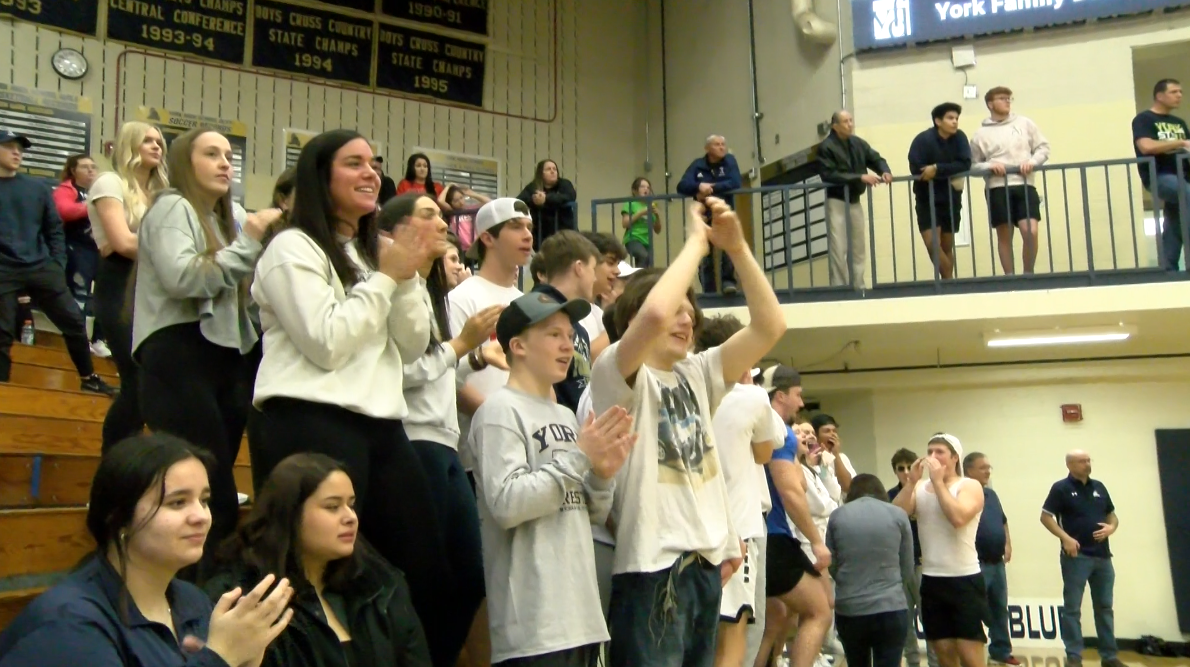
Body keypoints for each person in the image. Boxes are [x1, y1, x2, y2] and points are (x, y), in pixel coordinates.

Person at [251, 129, 458, 666]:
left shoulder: (372, 255)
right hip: (308, 423)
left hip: (383, 429)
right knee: (309, 577)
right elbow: (327, 342)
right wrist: (388, 277)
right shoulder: (290, 246)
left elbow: (412, 345)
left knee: (426, 573)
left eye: (375, 163)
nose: (372, 173)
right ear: (321, 177)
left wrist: (406, 273)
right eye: (354, 163)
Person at [591, 196, 786, 667]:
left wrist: (737, 248)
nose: (688, 320)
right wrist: (697, 243)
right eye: (679, 309)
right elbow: (654, 315)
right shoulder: (613, 370)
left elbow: (771, 324)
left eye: (691, 311)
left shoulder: (696, 373)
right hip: (651, 569)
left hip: (705, 567)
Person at [0, 433, 292, 667]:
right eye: (177, 502)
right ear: (120, 517)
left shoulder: (192, 600)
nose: (201, 516)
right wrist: (220, 657)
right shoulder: (67, 624)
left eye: (203, 500)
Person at [132, 128, 278, 570]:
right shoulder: (173, 206)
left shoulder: (221, 220)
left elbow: (235, 290)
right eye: (210, 154)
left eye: (228, 155)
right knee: (209, 492)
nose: (224, 163)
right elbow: (184, 278)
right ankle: (193, 601)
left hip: (224, 356)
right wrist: (250, 242)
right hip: (179, 351)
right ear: (182, 162)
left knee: (214, 491)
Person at [472, 291, 636, 666]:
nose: (568, 345)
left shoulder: (564, 416)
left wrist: (601, 477)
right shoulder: (498, 411)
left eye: (569, 334)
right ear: (518, 346)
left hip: (580, 619)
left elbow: (587, 513)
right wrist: (580, 458)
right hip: (533, 627)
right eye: (553, 335)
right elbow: (507, 504)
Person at [385, 192, 502, 665]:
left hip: (444, 441)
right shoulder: (393, 287)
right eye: (429, 215)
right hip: (413, 438)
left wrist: (470, 353)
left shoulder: (433, 294)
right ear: (397, 231)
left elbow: (435, 367)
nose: (444, 223)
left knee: (471, 578)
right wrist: (462, 345)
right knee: (428, 576)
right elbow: (401, 370)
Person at [207, 452, 432, 667]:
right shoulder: (241, 598)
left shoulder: (380, 585)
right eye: (332, 507)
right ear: (291, 515)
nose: (350, 518)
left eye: (351, 505)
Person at [0, 129, 114, 396]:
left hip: (40, 266)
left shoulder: (36, 188)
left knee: (74, 322)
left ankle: (89, 378)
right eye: (9, 146)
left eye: (21, 148)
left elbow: (54, 229)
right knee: (2, 333)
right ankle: (3, 390)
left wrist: (57, 264)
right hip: (3, 270)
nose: (17, 152)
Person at [697, 315, 783, 667]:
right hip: (740, 528)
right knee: (736, 631)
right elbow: (765, 451)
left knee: (708, 633)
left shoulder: (690, 389)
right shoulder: (750, 396)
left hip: (699, 526)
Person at [89, 120, 169, 447]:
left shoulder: (165, 191)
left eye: (159, 141)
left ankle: (132, 462)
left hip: (155, 288)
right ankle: (114, 465)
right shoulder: (110, 182)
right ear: (129, 145)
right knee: (136, 381)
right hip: (120, 283)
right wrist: (170, 247)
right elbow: (121, 243)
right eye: (147, 140)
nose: (156, 146)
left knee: (154, 383)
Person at [451, 198, 534, 471]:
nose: (527, 235)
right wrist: (501, 419)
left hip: (526, 448)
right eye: (515, 226)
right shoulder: (461, 298)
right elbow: (451, 378)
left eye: (529, 227)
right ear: (487, 237)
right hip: (478, 454)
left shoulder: (525, 302)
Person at [757, 365, 832, 667]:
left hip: (752, 537)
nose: (802, 404)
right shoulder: (778, 431)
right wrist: (817, 542)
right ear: (780, 395)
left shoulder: (752, 422)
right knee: (821, 609)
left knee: (774, 614)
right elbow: (789, 491)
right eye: (798, 395)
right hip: (772, 537)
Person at [892, 434, 987, 667]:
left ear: (955, 457)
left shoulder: (969, 486)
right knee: (943, 653)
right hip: (933, 579)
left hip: (964, 579)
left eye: (939, 452)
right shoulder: (921, 488)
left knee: (969, 654)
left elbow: (958, 517)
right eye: (929, 451)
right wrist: (911, 483)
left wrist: (937, 483)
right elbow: (895, 516)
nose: (932, 457)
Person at [1040, 450, 1122, 667]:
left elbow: (1112, 514)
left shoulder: (1099, 487)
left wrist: (1111, 527)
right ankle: (1074, 656)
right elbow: (1045, 517)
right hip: (1076, 557)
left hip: (1103, 557)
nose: (1087, 464)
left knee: (1105, 607)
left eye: (1088, 460)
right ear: (1069, 465)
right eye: (1082, 461)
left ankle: (1109, 656)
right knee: (1073, 608)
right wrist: (1065, 538)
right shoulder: (1061, 488)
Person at [825, 474, 915, 667]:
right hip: (891, 607)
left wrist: (847, 580)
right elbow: (907, 567)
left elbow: (831, 562)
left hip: (850, 608)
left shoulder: (838, 516)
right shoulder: (898, 515)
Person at [970, 87, 1050, 275]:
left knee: (1030, 230)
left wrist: (1032, 162)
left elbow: (1043, 148)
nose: (1007, 101)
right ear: (990, 104)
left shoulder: (1025, 123)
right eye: (1002, 98)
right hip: (997, 187)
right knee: (1004, 234)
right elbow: (972, 165)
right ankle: (1009, 276)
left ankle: (1028, 273)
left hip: (1024, 184)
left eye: (1009, 98)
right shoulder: (980, 135)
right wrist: (990, 166)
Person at [816, 110, 892, 288]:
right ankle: (839, 288)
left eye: (851, 120)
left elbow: (875, 158)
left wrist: (885, 171)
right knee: (838, 248)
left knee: (858, 247)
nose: (850, 124)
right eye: (845, 122)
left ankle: (859, 286)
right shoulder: (826, 147)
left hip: (854, 200)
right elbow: (828, 174)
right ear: (835, 126)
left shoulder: (857, 143)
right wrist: (859, 177)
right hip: (837, 201)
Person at [532, 230, 601, 412]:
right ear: (579, 267)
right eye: (593, 269)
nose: (595, 278)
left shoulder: (579, 327)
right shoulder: (534, 315)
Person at [963, 453, 1018, 667]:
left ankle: (1001, 651)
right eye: (982, 467)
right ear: (969, 471)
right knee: (974, 611)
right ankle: (972, 656)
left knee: (999, 609)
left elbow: (1003, 521)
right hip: (976, 565)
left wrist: (1008, 544)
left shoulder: (991, 495)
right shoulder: (963, 494)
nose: (987, 471)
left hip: (997, 563)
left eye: (989, 467)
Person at [53, 153, 108, 357]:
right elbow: (64, 210)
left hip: (101, 249)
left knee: (105, 295)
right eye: (85, 167)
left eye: (93, 166)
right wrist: (93, 205)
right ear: (73, 170)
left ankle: (99, 339)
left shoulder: (101, 190)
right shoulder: (67, 190)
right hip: (78, 248)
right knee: (80, 294)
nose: (91, 170)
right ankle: (79, 339)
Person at [908, 103, 972, 280]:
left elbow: (965, 163)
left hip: (951, 196)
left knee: (946, 245)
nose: (954, 122)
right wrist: (936, 171)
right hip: (926, 196)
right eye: (950, 118)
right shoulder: (923, 140)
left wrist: (937, 169)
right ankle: (950, 281)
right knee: (932, 244)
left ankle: (946, 283)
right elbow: (917, 167)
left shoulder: (960, 138)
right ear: (938, 121)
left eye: (956, 119)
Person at [1132, 78, 1190, 270]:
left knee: (1174, 221)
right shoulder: (1144, 119)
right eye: (1174, 92)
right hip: (1160, 176)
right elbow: (1146, 146)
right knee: (1187, 194)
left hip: (1184, 175)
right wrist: (1180, 143)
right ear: (1159, 95)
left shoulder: (1179, 123)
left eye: (1180, 92)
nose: (1179, 95)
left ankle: (1168, 268)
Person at [888, 448, 937, 667]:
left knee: (930, 618)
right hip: (899, 566)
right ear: (895, 471)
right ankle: (913, 662)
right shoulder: (890, 496)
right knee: (904, 620)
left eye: (910, 467)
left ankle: (936, 663)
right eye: (901, 469)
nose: (906, 472)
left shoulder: (929, 491)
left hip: (925, 564)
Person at [676, 135, 743, 294]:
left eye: (723, 144)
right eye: (717, 144)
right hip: (705, 216)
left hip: (724, 212)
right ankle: (709, 289)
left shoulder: (729, 161)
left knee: (728, 249)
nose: (722, 147)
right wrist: (698, 186)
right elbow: (681, 186)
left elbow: (735, 182)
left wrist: (710, 189)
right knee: (706, 253)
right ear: (707, 149)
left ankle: (728, 282)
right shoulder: (698, 165)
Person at [518, 159, 577, 249]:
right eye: (548, 169)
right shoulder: (533, 186)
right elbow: (520, 200)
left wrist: (546, 199)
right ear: (541, 173)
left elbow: (570, 196)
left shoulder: (564, 183)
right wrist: (534, 200)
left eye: (555, 169)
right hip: (541, 234)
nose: (553, 171)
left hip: (565, 232)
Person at [812, 414, 855, 503]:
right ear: (816, 435)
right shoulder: (813, 458)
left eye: (834, 431)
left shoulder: (842, 457)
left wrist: (836, 455)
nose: (832, 434)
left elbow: (848, 486)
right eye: (827, 431)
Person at [621, 177, 663, 268]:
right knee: (643, 256)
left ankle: (642, 280)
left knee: (648, 264)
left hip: (647, 241)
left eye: (648, 187)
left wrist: (657, 215)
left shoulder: (650, 205)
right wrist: (641, 213)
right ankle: (638, 280)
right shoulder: (631, 204)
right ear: (635, 191)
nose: (646, 189)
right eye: (642, 187)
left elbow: (658, 230)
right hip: (633, 238)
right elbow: (625, 223)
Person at [438, 184, 491, 254]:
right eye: (456, 200)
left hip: (474, 247)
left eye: (461, 197)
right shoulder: (452, 212)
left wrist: (472, 194)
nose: (461, 202)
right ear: (451, 203)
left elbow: (489, 202)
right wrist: (449, 186)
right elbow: (440, 201)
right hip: (461, 249)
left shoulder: (470, 210)